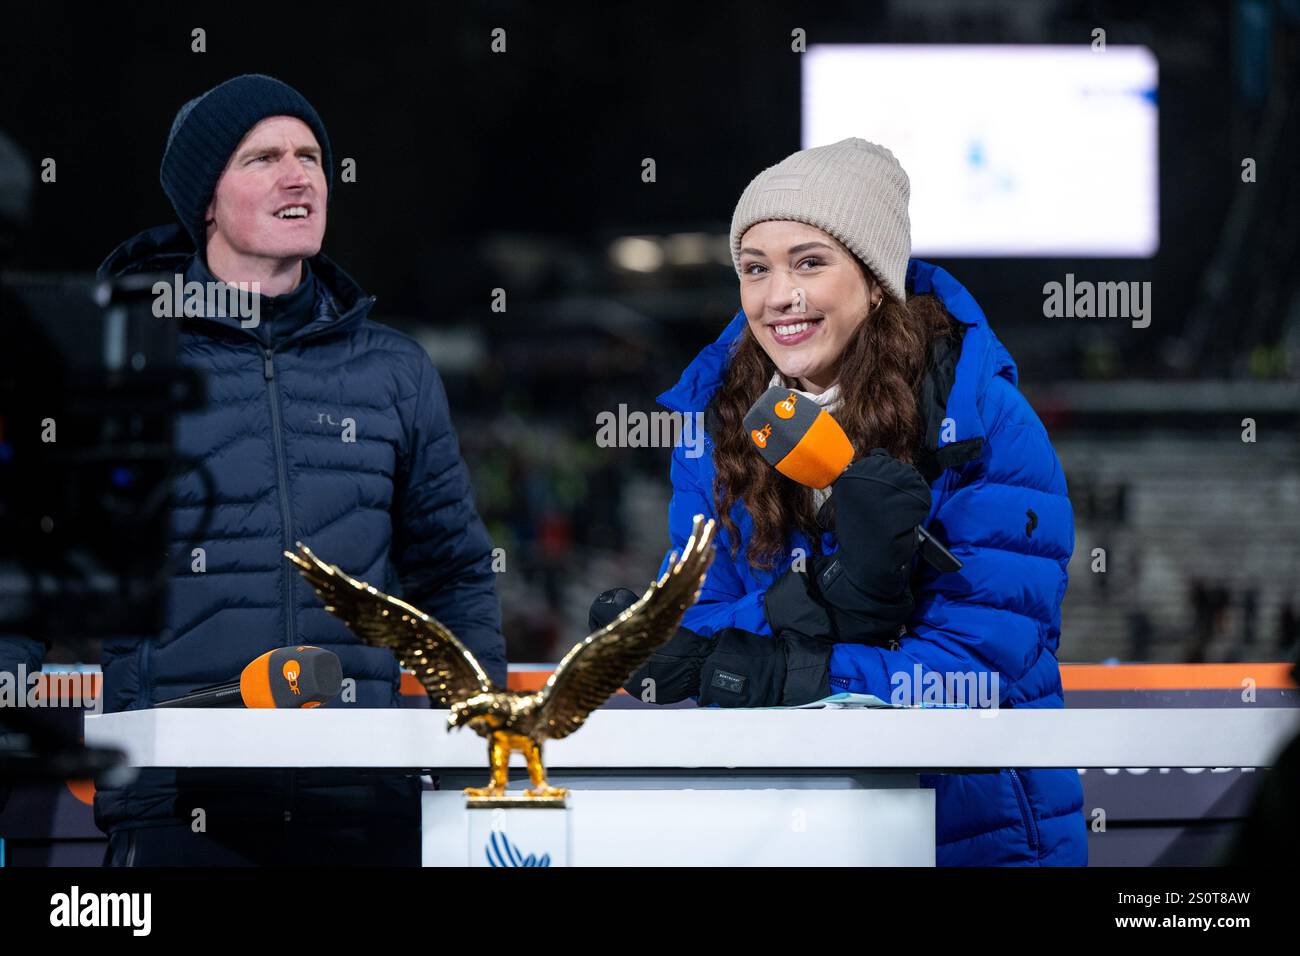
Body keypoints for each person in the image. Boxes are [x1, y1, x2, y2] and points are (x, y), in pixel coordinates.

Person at [0, 74, 507, 865]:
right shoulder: (114, 363)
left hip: (363, 799)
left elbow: (454, 576)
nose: (298, 174)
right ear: (206, 199)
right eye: (263, 157)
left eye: (310, 155)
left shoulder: (395, 371)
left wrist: (483, 734)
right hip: (176, 804)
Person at [595, 138, 1086, 866]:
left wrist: (771, 669)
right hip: (791, 826)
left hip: (974, 830)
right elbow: (698, 620)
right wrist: (821, 599)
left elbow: (974, 668)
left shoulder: (985, 420)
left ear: (876, 278)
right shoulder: (716, 428)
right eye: (754, 268)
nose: (777, 296)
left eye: (810, 262)